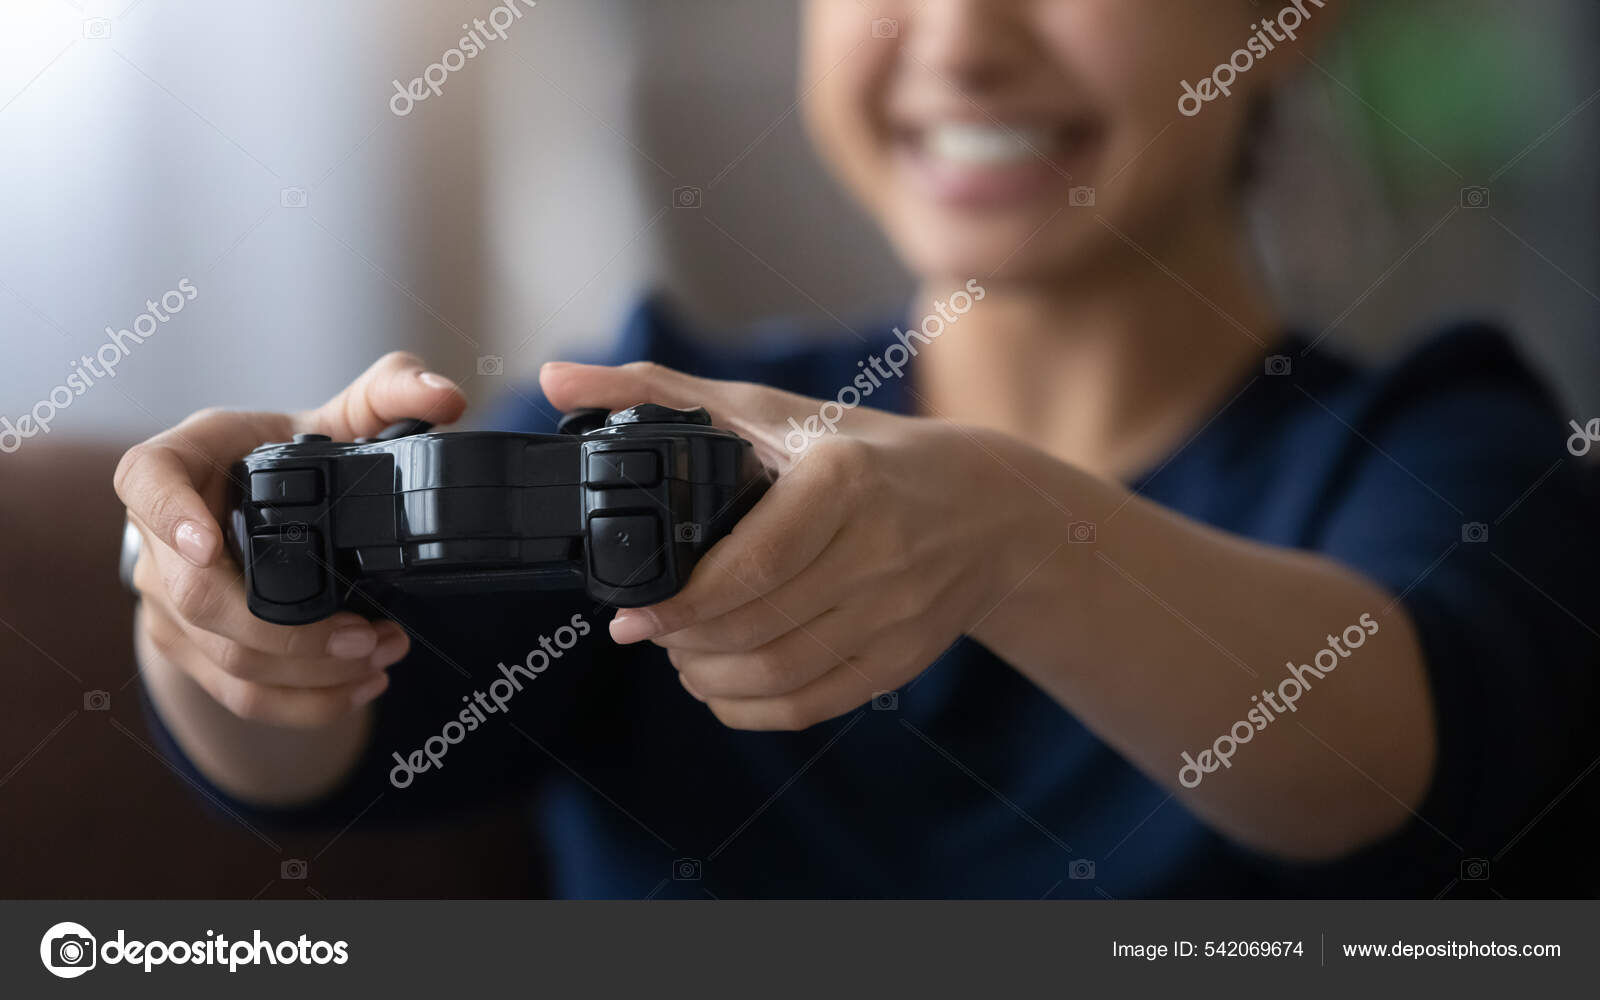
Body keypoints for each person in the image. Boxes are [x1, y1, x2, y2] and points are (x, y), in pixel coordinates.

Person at [117, 0, 1597, 897]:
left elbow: (1385, 772)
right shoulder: (649, 422)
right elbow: (323, 746)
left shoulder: (1448, 452)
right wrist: (224, 612)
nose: (959, 40)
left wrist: (1020, 540)